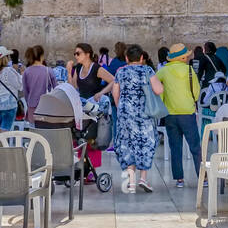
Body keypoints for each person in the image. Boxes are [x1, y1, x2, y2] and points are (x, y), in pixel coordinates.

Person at [113, 44, 163, 192]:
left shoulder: (120, 72)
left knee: (127, 144)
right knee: (145, 143)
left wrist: (121, 108)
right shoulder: (147, 70)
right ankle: (143, 179)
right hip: (144, 115)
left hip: (125, 114)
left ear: (126, 58)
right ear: (142, 58)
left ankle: (132, 182)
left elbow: (115, 94)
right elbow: (159, 90)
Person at [158, 44, 202, 189]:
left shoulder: (164, 71)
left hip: (170, 114)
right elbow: (196, 93)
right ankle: (203, 177)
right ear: (183, 57)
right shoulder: (190, 70)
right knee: (195, 146)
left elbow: (156, 87)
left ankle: (179, 180)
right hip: (187, 113)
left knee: (175, 147)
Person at [69, 42, 116, 124]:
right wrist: (69, 72)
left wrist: (101, 93)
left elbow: (114, 80)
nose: (76, 56)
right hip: (82, 107)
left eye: (78, 53)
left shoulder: (96, 68)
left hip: (95, 108)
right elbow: (74, 87)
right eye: (75, 54)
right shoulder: (78, 68)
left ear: (87, 54)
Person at [0, 44, 24, 131]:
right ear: (5, 58)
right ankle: (1, 144)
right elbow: (20, 86)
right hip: (8, 105)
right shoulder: (8, 71)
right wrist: (22, 74)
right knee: (5, 132)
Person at [22, 45, 57, 114]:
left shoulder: (27, 71)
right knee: (45, 124)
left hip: (32, 105)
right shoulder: (49, 71)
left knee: (32, 125)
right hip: (46, 105)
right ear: (41, 56)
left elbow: (25, 91)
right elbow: (56, 88)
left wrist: (28, 102)